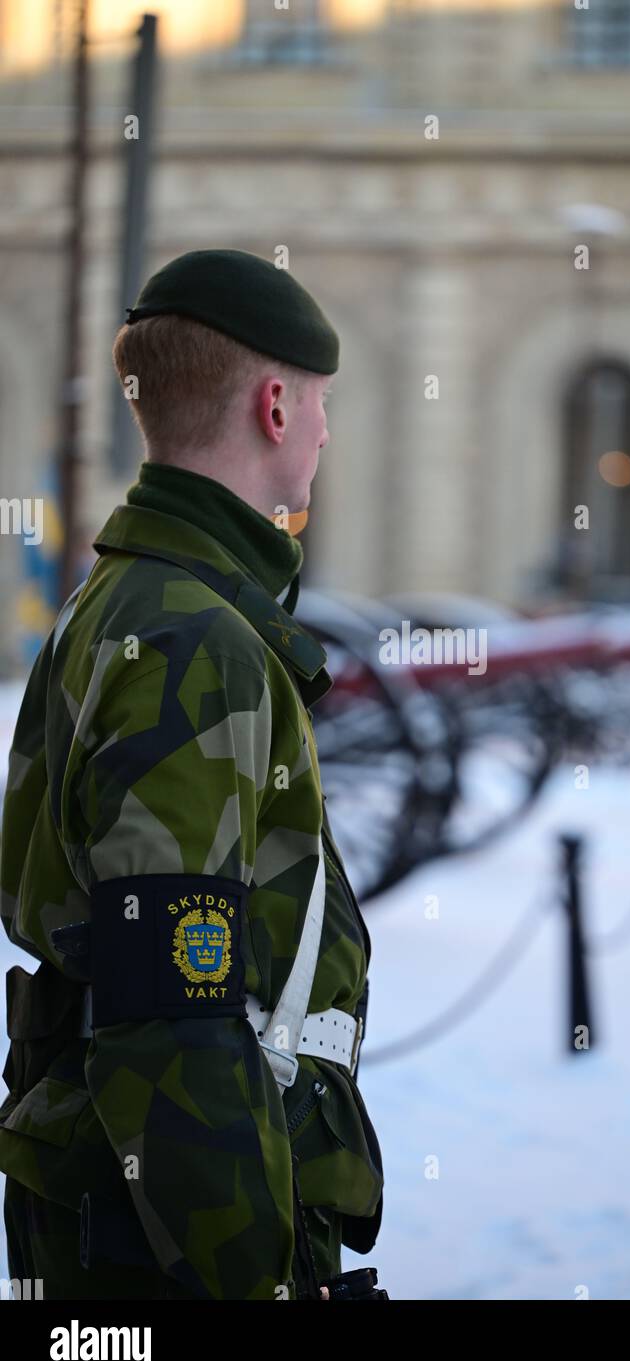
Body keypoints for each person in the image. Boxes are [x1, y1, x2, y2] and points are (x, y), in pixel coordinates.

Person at [0, 248, 385, 1300]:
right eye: (316, 404)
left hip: (106, 1212)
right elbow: (172, 1022)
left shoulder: (124, 598)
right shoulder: (191, 642)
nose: (321, 430)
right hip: (167, 1242)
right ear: (272, 404)